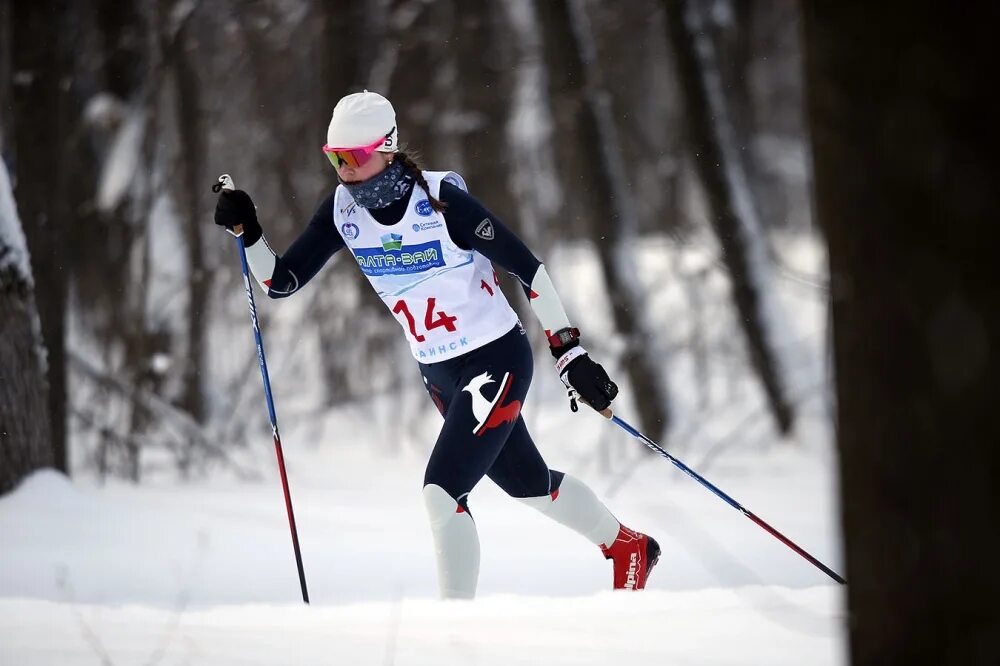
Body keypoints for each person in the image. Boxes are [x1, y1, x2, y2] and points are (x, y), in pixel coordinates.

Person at [214, 90, 659, 598]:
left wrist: (568, 350)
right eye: (333, 158)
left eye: (353, 158)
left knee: (442, 491)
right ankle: (629, 547)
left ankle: (453, 633)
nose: (343, 171)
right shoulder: (342, 211)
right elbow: (279, 282)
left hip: (495, 357)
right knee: (528, 484)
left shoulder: (442, 201)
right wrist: (249, 232)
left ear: (386, 148)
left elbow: (529, 268)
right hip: (439, 371)